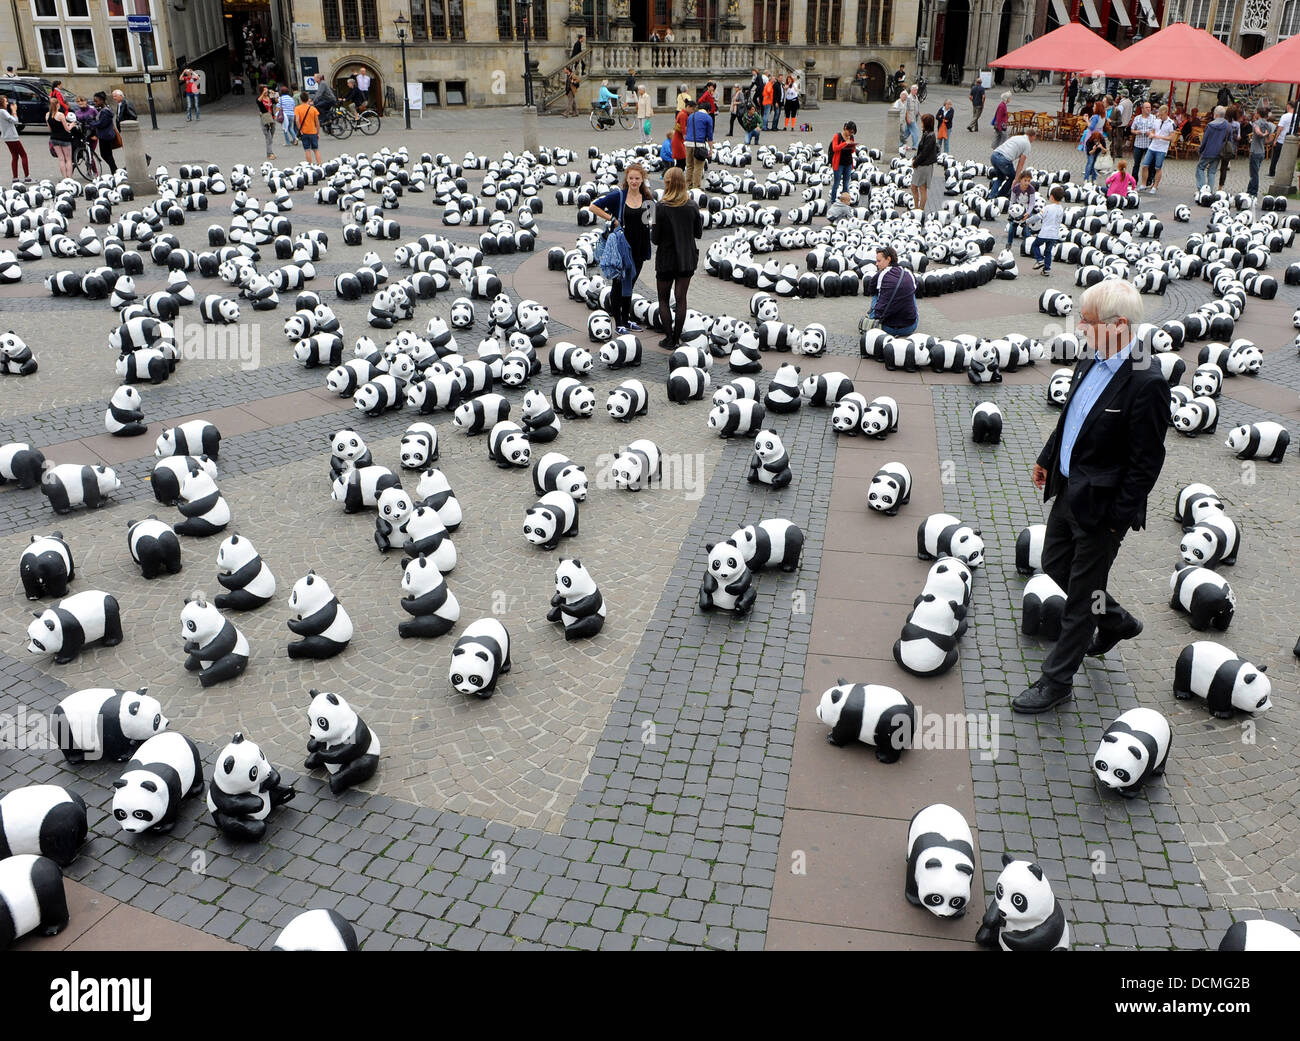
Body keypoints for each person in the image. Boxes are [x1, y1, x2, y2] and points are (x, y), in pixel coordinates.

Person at [1019, 279, 1168, 714]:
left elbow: (1146, 463)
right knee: (1053, 563)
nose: (1079, 327)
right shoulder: (1093, 354)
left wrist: (1116, 519)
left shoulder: (1147, 381)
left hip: (1103, 509)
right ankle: (1117, 619)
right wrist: (1049, 456)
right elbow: (1073, 414)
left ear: (1119, 325)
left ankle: (1057, 682)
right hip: (1069, 487)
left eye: (1086, 320)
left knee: (1081, 598)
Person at [589, 162, 655, 335]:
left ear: (642, 180)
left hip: (639, 248)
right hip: (622, 248)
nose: (634, 181)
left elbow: (650, 222)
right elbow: (593, 206)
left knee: (630, 285)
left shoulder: (647, 198)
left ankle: (626, 319)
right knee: (618, 285)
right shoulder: (619, 196)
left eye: (637, 178)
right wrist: (612, 219)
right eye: (631, 178)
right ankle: (618, 321)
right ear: (626, 178)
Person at [649, 166, 703, 350]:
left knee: (663, 299)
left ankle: (669, 339)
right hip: (687, 259)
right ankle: (677, 338)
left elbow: (654, 239)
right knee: (681, 299)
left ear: (667, 184)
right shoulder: (692, 206)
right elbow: (698, 233)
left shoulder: (660, 207)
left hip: (666, 258)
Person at [869, 246, 918, 337]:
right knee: (911, 293)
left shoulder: (880, 275)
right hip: (909, 327)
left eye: (879, 261)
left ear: (888, 259)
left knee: (876, 293)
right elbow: (916, 287)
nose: (876, 264)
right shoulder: (908, 273)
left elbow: (871, 291)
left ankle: (874, 316)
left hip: (884, 327)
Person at [990, 128, 1034, 198]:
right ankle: (1001, 196)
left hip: (994, 155)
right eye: (1034, 138)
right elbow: (1021, 163)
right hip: (1004, 160)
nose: (1033, 140)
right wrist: (1016, 179)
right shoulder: (1027, 144)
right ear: (1032, 136)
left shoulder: (1016, 137)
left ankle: (991, 196)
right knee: (1013, 177)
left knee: (1000, 178)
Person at [1140, 104, 1175, 193]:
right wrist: (1151, 135)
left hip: (1162, 149)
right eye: (1159, 114)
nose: (1160, 116)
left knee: (1157, 168)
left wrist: (1159, 137)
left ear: (1166, 113)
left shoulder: (1171, 123)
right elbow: (1153, 131)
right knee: (1145, 165)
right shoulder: (1156, 121)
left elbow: (1172, 138)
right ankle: (1143, 184)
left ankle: (1155, 186)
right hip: (1152, 146)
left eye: (1162, 115)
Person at [1031, 185, 1064, 276]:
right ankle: (1046, 270)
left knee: (1035, 245)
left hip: (1044, 233)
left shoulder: (1047, 208)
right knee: (1048, 252)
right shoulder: (1061, 209)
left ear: (1052, 196)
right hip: (1054, 235)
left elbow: (1038, 217)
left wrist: (1027, 221)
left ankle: (1040, 260)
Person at [1196, 105, 1230, 191]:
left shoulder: (1210, 125)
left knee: (1200, 168)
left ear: (1216, 115)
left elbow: (1205, 140)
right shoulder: (1227, 125)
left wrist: (1200, 149)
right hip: (1219, 152)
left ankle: (1202, 189)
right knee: (1212, 172)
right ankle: (1210, 190)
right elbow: (1229, 140)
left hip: (1208, 151)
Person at [683, 97, 713, 191]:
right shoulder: (708, 117)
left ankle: (688, 186)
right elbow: (709, 135)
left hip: (688, 144)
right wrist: (711, 149)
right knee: (698, 167)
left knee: (689, 166)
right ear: (708, 110)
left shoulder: (691, 115)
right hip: (699, 145)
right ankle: (696, 187)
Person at [911, 113, 938, 211]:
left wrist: (915, 163)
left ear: (926, 123)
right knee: (915, 187)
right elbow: (921, 150)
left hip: (924, 166)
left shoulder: (930, 136)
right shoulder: (926, 133)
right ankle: (917, 208)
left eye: (922, 122)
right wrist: (915, 158)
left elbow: (924, 153)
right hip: (922, 164)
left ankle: (920, 210)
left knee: (921, 188)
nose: (921, 124)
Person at [1248, 105, 1275, 197]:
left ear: (1258, 114)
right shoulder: (1268, 124)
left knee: (1254, 174)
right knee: (1254, 172)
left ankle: (1253, 193)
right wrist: (1264, 140)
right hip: (1262, 152)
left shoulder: (1256, 123)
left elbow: (1258, 132)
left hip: (1255, 151)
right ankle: (1249, 190)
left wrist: (1263, 135)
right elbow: (1270, 140)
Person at [1, 96, 30, 181]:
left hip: (6, 137)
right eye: (5, 101)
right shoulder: (3, 111)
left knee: (15, 156)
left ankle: (15, 178)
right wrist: (14, 111)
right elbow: (15, 120)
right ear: (1, 103)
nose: (7, 103)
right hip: (12, 137)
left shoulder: (2, 111)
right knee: (23, 155)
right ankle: (27, 177)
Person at [1005, 171, 1036, 248]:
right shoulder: (1015, 188)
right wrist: (1011, 210)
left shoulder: (1031, 189)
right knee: (1012, 227)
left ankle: (1027, 244)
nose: (1027, 183)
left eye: (1029, 181)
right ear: (1020, 180)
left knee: (1026, 228)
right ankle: (1009, 243)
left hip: (1026, 210)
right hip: (1017, 209)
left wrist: (1028, 213)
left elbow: (1032, 203)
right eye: (1025, 180)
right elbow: (1012, 200)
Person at [91, 91, 119, 173]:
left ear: (102, 101)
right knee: (107, 154)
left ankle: (115, 170)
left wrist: (91, 123)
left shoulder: (105, 111)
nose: (94, 103)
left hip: (106, 136)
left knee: (106, 154)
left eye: (96, 101)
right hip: (106, 135)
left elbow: (102, 123)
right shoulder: (105, 109)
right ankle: (114, 170)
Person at [1128, 100, 1156, 180]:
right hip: (1138, 144)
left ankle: (1149, 179)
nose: (1148, 109)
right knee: (1136, 163)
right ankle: (1134, 179)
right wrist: (1136, 132)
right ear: (1142, 109)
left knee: (1149, 163)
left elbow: (1156, 130)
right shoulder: (1137, 118)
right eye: (1146, 107)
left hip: (1149, 144)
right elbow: (1132, 130)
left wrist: (1150, 133)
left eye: (1149, 107)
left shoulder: (1153, 118)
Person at [46, 100, 75, 178]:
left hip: (54, 138)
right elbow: (67, 129)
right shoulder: (60, 115)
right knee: (68, 159)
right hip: (64, 138)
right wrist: (72, 125)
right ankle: (69, 177)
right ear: (58, 104)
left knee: (61, 159)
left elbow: (50, 129)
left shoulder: (47, 115)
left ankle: (65, 177)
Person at [1269, 100, 1295, 179]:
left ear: (1288, 106)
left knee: (1276, 157)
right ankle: (1288, 173)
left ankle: (1272, 172)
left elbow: (1280, 128)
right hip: (1291, 140)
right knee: (1289, 158)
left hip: (1281, 139)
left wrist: (1275, 139)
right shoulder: (1297, 116)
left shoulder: (1285, 116)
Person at [294, 90, 321, 164]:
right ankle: (319, 164)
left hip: (304, 132)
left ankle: (310, 165)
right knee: (316, 150)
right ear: (308, 99)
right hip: (313, 131)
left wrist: (300, 130)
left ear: (301, 99)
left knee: (307, 150)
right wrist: (318, 132)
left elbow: (297, 120)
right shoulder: (313, 109)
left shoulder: (297, 108)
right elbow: (317, 122)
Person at [829, 121, 855, 199]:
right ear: (845, 129)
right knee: (836, 183)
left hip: (848, 163)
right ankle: (833, 199)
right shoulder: (837, 136)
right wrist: (845, 143)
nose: (850, 134)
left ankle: (845, 200)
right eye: (849, 132)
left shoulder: (851, 137)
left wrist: (852, 146)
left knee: (846, 183)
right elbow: (835, 148)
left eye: (852, 133)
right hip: (839, 163)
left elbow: (852, 151)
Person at [1218, 105, 1241, 190]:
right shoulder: (1237, 124)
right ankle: (1220, 186)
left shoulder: (1222, 122)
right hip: (1230, 147)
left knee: (1214, 165)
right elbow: (1239, 137)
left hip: (1220, 145)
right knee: (1224, 168)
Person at [256, 84, 277, 160]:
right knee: (268, 137)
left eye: (266, 90)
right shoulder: (260, 99)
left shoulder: (270, 98)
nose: (266, 92)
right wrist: (263, 93)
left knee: (272, 133)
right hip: (264, 118)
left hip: (271, 118)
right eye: (264, 90)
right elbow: (258, 101)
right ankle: (270, 153)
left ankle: (269, 152)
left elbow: (277, 101)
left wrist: (274, 94)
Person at [903, 84, 921, 149]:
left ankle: (900, 143)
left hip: (915, 117)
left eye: (916, 90)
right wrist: (907, 118)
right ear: (911, 90)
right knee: (915, 131)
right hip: (910, 118)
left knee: (907, 132)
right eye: (914, 90)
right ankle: (915, 146)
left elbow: (917, 107)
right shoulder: (908, 98)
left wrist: (920, 115)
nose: (916, 91)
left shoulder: (916, 97)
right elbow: (906, 109)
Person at [671, 101, 687, 169]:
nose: (693, 111)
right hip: (679, 140)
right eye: (692, 109)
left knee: (680, 161)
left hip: (678, 140)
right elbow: (683, 128)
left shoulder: (681, 113)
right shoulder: (683, 115)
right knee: (681, 161)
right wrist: (685, 137)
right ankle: (676, 176)